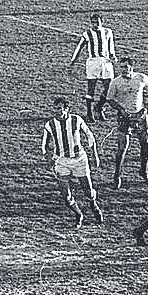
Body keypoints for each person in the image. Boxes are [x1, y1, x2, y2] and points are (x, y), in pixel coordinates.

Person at [41, 96, 103, 226]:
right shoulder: (50, 125)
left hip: (79, 159)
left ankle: (93, 205)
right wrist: (48, 158)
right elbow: (44, 146)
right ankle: (78, 214)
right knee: (65, 194)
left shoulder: (76, 120)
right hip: (62, 161)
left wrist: (95, 155)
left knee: (88, 190)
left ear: (67, 109)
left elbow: (90, 136)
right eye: (56, 108)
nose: (57, 111)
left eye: (60, 109)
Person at [105, 58, 148, 189]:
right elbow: (109, 99)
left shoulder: (141, 78)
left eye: (125, 67)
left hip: (140, 116)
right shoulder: (115, 82)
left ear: (131, 67)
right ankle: (117, 176)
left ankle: (144, 171)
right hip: (124, 118)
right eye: (121, 67)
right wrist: (121, 109)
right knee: (122, 148)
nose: (123, 69)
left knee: (146, 145)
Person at [65, 13, 117, 122]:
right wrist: (73, 62)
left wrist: (113, 56)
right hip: (93, 63)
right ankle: (89, 113)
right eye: (92, 23)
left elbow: (111, 47)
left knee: (110, 88)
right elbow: (79, 48)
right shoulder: (87, 34)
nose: (95, 25)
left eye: (97, 22)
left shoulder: (108, 32)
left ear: (101, 22)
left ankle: (98, 107)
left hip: (106, 63)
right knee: (91, 90)